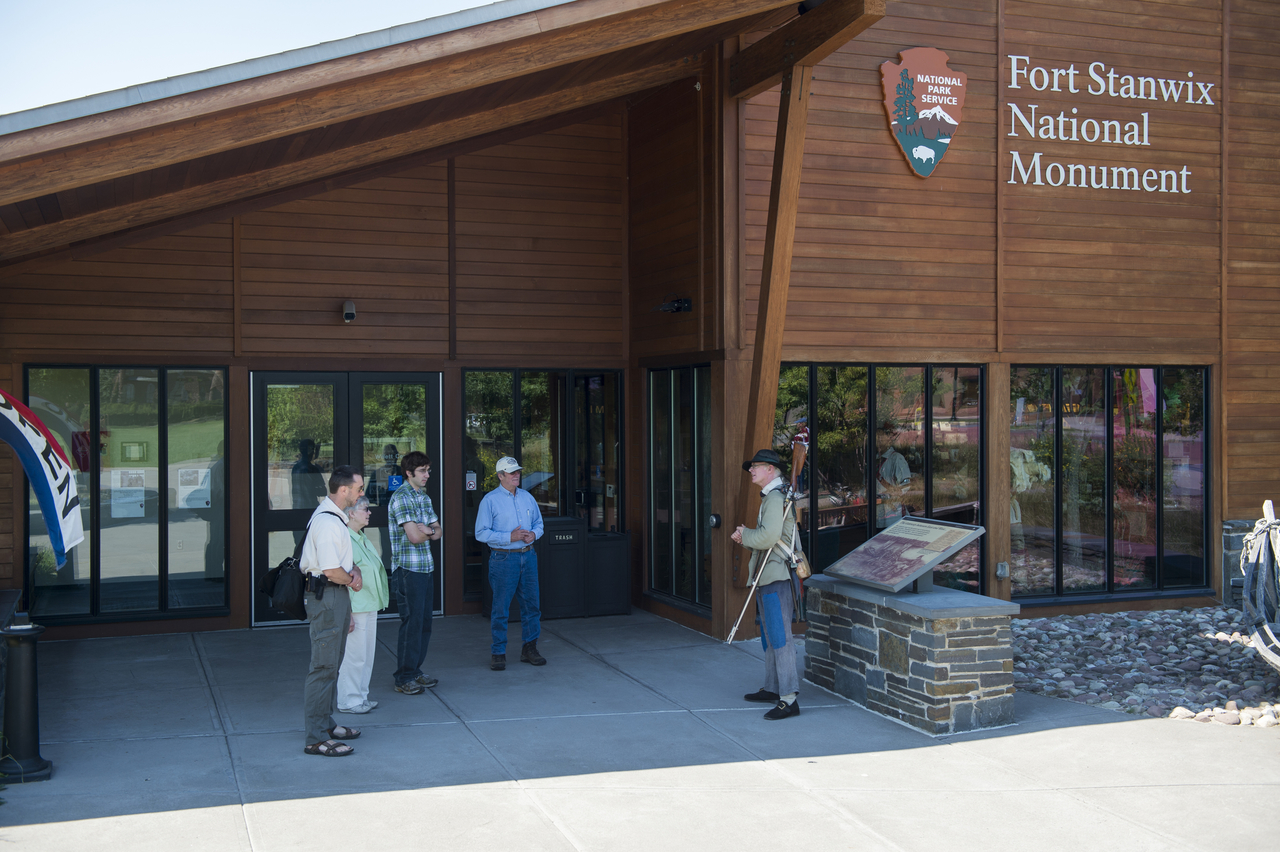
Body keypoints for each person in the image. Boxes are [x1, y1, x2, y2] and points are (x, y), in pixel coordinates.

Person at [300, 465, 366, 756]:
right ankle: (315, 738)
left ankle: (325, 724)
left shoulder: (334, 517)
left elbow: (339, 563)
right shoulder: (327, 522)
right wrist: (352, 578)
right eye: (358, 488)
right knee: (323, 667)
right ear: (343, 490)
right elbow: (330, 570)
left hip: (334, 597)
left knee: (332, 664)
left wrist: (353, 571)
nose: (362, 493)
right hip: (327, 597)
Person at [731, 449, 801, 720]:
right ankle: (774, 688)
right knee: (771, 636)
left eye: (756, 466)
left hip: (775, 576)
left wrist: (744, 534)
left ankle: (788, 698)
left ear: (771, 469)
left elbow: (769, 536)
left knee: (780, 638)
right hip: (769, 575)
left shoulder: (774, 498)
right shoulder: (775, 495)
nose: (751, 470)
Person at [474, 456, 545, 671]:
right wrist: (509, 537)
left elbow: (539, 524)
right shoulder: (490, 500)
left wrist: (533, 534)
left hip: (528, 555)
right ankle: (498, 652)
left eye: (518, 471)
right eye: (511, 472)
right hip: (503, 558)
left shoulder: (527, 498)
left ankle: (529, 648)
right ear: (500, 476)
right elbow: (481, 533)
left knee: (532, 606)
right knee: (501, 608)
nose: (517, 475)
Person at [387, 450, 441, 695]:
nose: (427, 475)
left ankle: (416, 671)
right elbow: (414, 536)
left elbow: (438, 531)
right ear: (409, 473)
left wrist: (428, 530)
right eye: (422, 471)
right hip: (408, 571)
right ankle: (404, 677)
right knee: (412, 623)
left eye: (428, 470)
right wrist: (427, 531)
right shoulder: (402, 497)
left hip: (425, 567)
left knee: (425, 624)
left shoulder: (424, 498)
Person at [337, 495, 390, 714]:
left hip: (369, 604)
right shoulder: (345, 540)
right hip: (355, 607)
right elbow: (340, 579)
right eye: (365, 509)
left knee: (366, 655)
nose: (369, 513)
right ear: (351, 513)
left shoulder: (360, 537)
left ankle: (361, 696)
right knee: (354, 656)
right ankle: (348, 700)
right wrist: (346, 613)